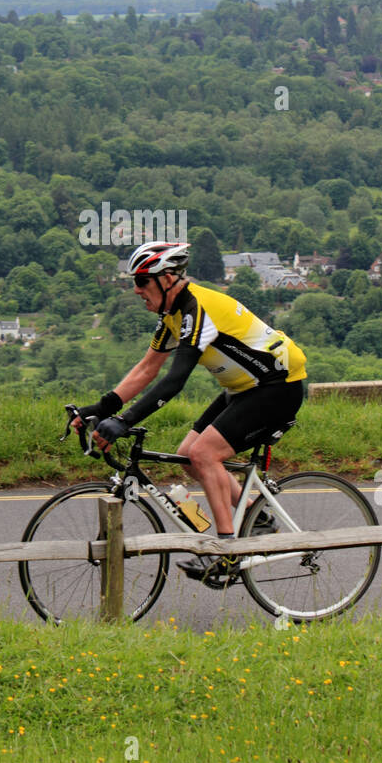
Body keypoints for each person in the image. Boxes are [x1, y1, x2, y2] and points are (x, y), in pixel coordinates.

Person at [73, 240, 307, 578]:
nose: (136, 290)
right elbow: (146, 370)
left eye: (141, 281)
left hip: (278, 387)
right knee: (188, 453)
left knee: (204, 455)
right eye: (134, 282)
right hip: (245, 387)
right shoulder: (173, 316)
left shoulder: (197, 309)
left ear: (167, 278)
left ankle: (226, 554)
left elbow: (174, 381)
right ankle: (260, 518)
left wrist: (124, 421)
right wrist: (99, 408)